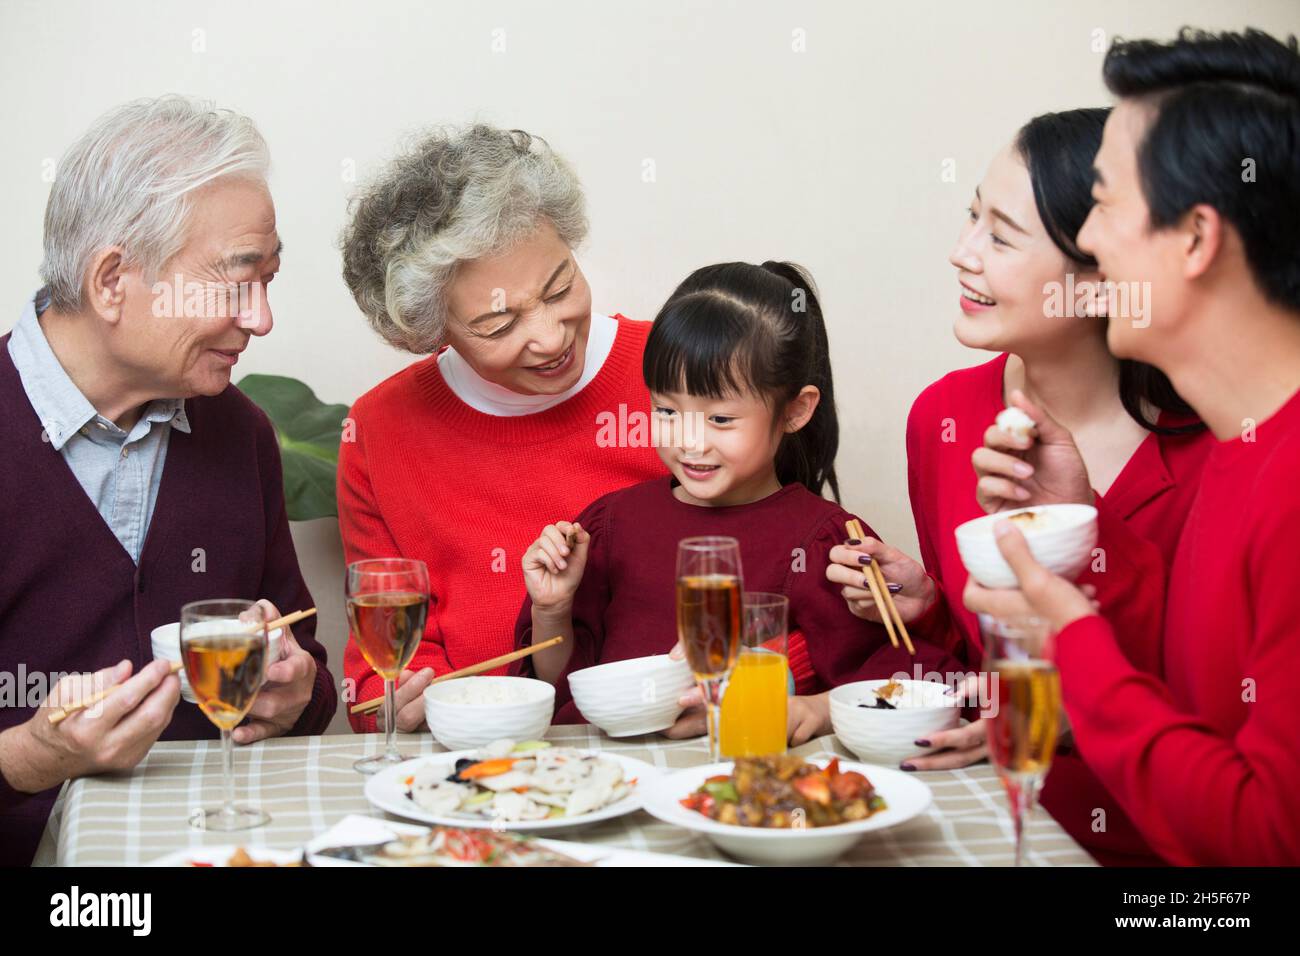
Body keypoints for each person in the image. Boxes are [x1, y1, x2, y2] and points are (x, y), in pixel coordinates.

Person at [831, 109, 1215, 864]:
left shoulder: (1212, 450)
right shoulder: (941, 419)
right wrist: (934, 610)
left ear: (1100, 275)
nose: (960, 254)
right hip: (980, 819)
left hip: (1147, 855)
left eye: (1001, 236)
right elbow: (989, 666)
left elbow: (1203, 713)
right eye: (971, 216)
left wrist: (1086, 528)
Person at [965, 28, 1300, 865]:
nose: (1091, 242)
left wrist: (1067, 649)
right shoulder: (1243, 451)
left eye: (1105, 204)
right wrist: (1085, 526)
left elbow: (1267, 839)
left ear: (1195, 238)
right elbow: (1192, 714)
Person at [0, 96, 337, 866]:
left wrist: (292, 692)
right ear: (114, 279)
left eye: (270, 281)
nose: (262, 320)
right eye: (237, 283)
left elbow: (305, 671)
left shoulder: (239, 432)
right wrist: (28, 757)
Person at [512, 261, 959, 742]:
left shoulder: (828, 544)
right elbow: (564, 693)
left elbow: (905, 682)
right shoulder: (611, 524)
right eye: (666, 410)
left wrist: (811, 708)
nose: (689, 442)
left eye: (721, 419)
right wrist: (552, 610)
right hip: (612, 782)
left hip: (749, 788)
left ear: (795, 411)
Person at [337, 125, 666, 732]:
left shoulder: (677, 374)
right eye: (497, 324)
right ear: (434, 331)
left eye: (560, 286)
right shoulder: (380, 430)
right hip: (482, 762)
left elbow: (789, 572)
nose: (549, 337)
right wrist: (395, 699)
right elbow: (375, 670)